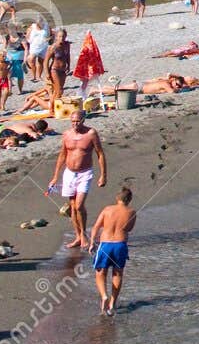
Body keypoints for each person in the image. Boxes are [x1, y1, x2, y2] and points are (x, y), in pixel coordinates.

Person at [49, 109, 106, 250]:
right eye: (73, 121)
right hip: (69, 173)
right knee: (73, 207)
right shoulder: (66, 134)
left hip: (85, 173)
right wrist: (55, 176)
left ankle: (84, 235)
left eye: (78, 121)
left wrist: (103, 175)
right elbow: (62, 155)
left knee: (79, 205)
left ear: (83, 120)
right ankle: (78, 236)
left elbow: (100, 154)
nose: (75, 124)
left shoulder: (91, 133)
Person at [89, 185, 137, 316]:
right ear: (129, 199)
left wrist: (92, 242)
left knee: (100, 272)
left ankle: (104, 295)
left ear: (117, 198)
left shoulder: (107, 209)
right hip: (120, 245)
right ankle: (112, 303)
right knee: (117, 273)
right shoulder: (132, 212)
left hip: (106, 244)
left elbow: (96, 227)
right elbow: (129, 229)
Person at [44, 28, 71, 102]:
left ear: (65, 36)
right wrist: (47, 74)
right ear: (56, 37)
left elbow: (68, 55)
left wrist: (68, 65)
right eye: (59, 36)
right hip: (54, 70)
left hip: (63, 70)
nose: (61, 38)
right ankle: (52, 110)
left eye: (63, 36)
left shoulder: (67, 45)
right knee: (58, 90)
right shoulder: (53, 47)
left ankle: (54, 107)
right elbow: (46, 61)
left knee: (60, 91)